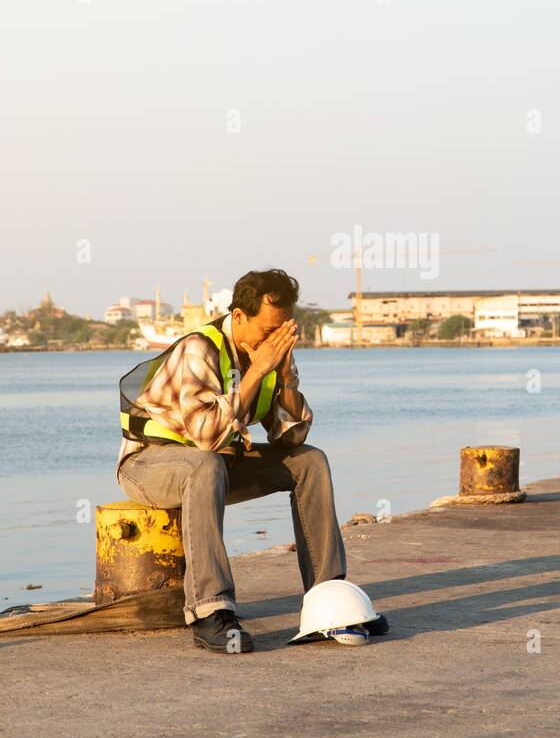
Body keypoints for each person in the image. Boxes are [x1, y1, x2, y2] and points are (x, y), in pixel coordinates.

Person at [115, 268, 387, 653]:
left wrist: (285, 375)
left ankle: (330, 601)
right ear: (239, 317)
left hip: (213, 466)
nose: (275, 339)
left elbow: (291, 435)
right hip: (147, 466)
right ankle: (210, 610)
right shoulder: (200, 349)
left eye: (283, 330)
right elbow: (207, 437)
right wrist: (259, 370)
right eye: (268, 330)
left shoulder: (272, 354)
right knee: (204, 465)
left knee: (309, 462)